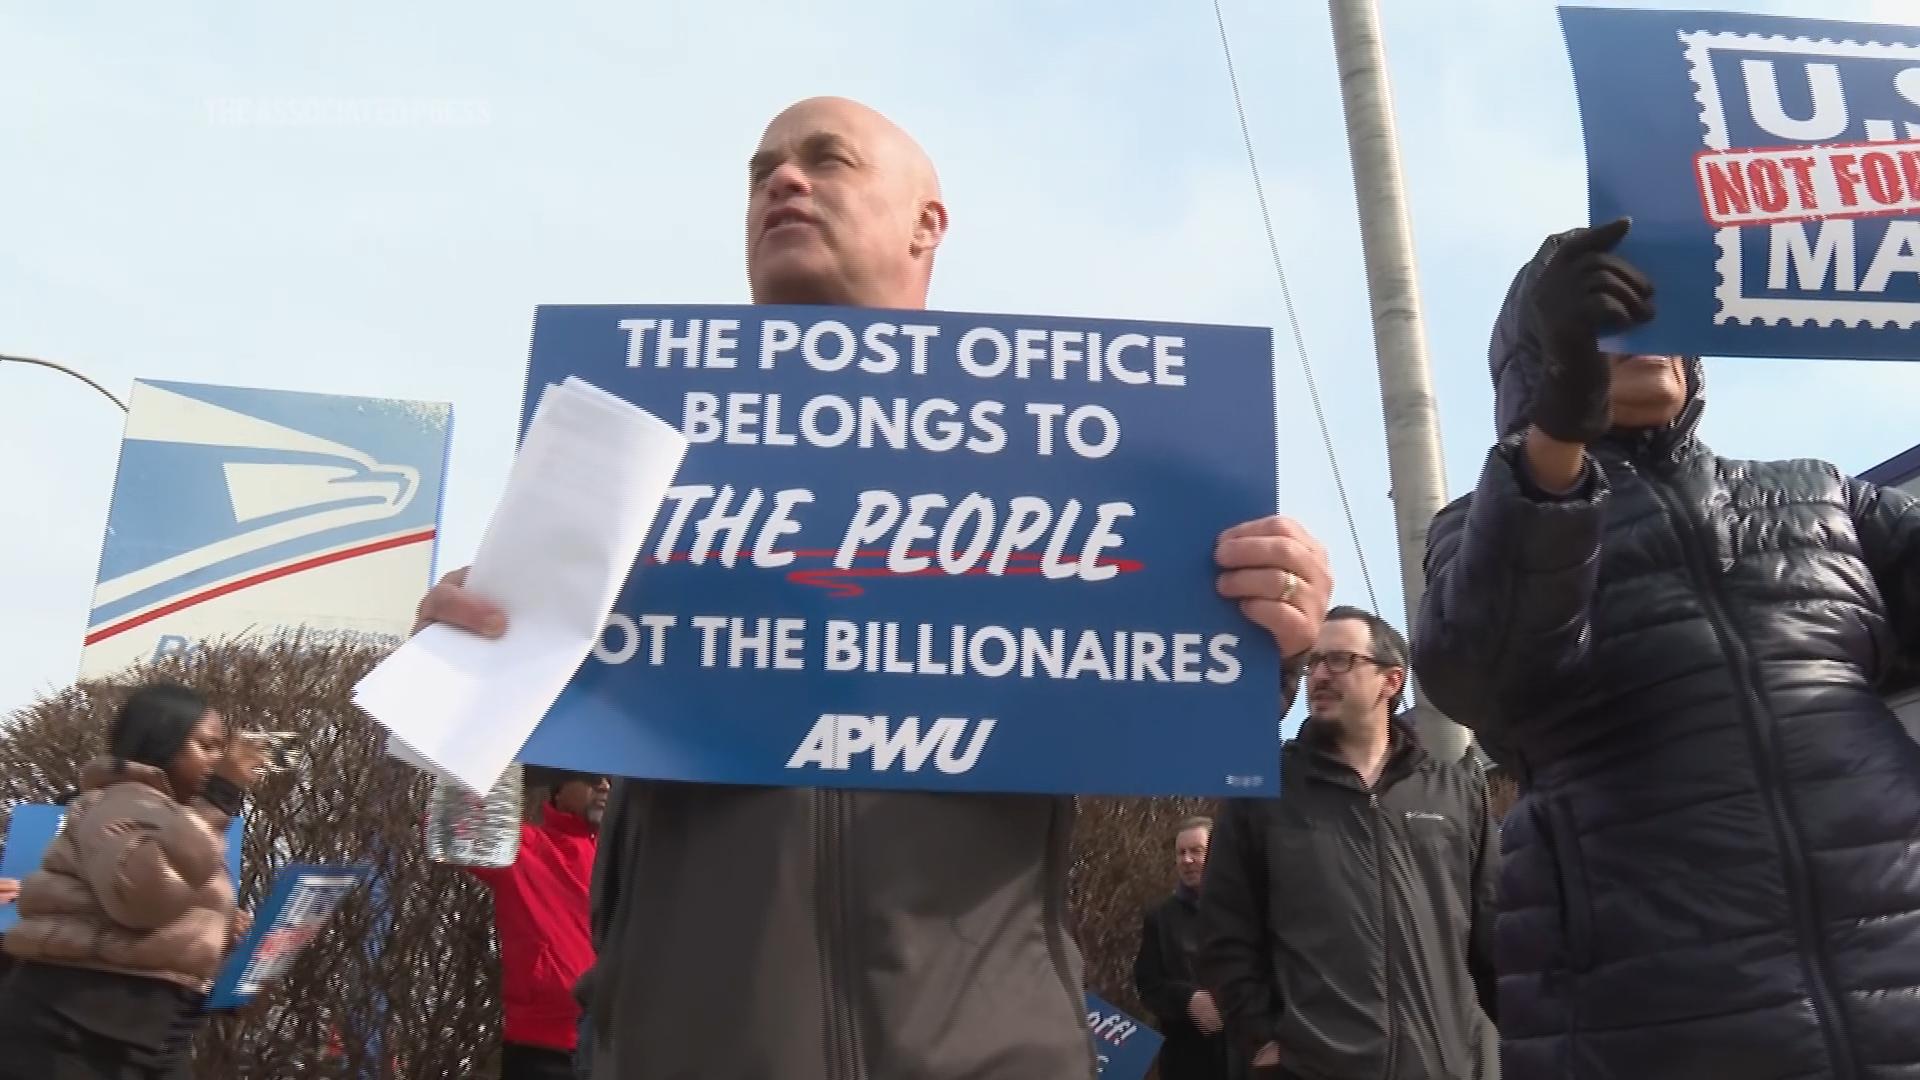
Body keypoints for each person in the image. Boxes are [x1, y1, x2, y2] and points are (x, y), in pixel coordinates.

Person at [410, 94, 1338, 1079]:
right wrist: (468, 666)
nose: (784, 179)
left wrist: (1253, 640)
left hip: (990, 1054)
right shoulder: (625, 455)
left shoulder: (1056, 465)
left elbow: (1143, 695)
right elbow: (505, 783)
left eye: (827, 159)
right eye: (763, 167)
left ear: (926, 224)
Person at [1412, 218, 1920, 1080]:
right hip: (1653, 1024)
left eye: (1654, 309)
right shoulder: (1487, 522)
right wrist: (1555, 442)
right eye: (1604, 317)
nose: (1641, 335)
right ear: (1542, 360)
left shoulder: (1824, 493)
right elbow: (1482, 671)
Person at [1198, 606, 1499, 1080]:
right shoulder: (1263, 788)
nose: (1319, 674)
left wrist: (1497, 1043)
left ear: (1391, 681)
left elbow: (1493, 932)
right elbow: (1224, 929)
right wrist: (1260, 1037)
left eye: (1340, 660)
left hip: (1450, 1065)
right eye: (1314, 661)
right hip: (1311, 1067)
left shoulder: (1457, 791)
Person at [0, 681, 266, 1080]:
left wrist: (221, 931)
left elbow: (155, 910)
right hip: (73, 1032)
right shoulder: (121, 800)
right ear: (161, 744)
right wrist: (220, 796)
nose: (217, 760)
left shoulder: (175, 818)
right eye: (206, 746)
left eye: (221, 749)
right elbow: (142, 897)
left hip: (145, 1037)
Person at [435, 768, 607, 1080]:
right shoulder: (525, 846)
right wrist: (488, 753)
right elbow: (451, 827)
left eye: (614, 780)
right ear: (559, 789)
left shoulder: (633, 857)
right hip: (542, 1045)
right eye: (593, 779)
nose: (605, 787)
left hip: (616, 1043)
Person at [1133, 816, 1235, 1080]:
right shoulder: (1160, 918)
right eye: (1181, 853)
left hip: (1242, 1055)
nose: (1187, 860)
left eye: (1196, 851)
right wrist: (1187, 1000)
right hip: (1186, 1059)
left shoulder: (1245, 911)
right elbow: (1148, 984)